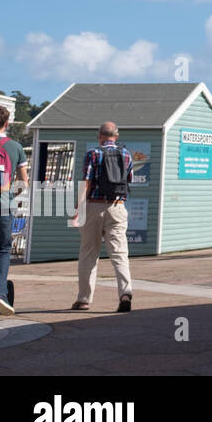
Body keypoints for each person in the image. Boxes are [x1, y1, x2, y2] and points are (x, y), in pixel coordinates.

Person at [73, 121, 133, 312]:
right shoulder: (126, 154)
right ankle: (125, 292)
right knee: (119, 253)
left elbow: (87, 182)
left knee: (89, 253)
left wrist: (78, 210)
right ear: (116, 136)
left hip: (94, 207)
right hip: (117, 206)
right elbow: (128, 180)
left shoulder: (93, 153)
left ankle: (83, 299)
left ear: (99, 136)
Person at [0, 105, 28, 320]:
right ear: (7, 123)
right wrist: (12, 197)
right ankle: (0, 293)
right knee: (2, 250)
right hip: (2, 205)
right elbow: (23, 182)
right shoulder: (15, 147)